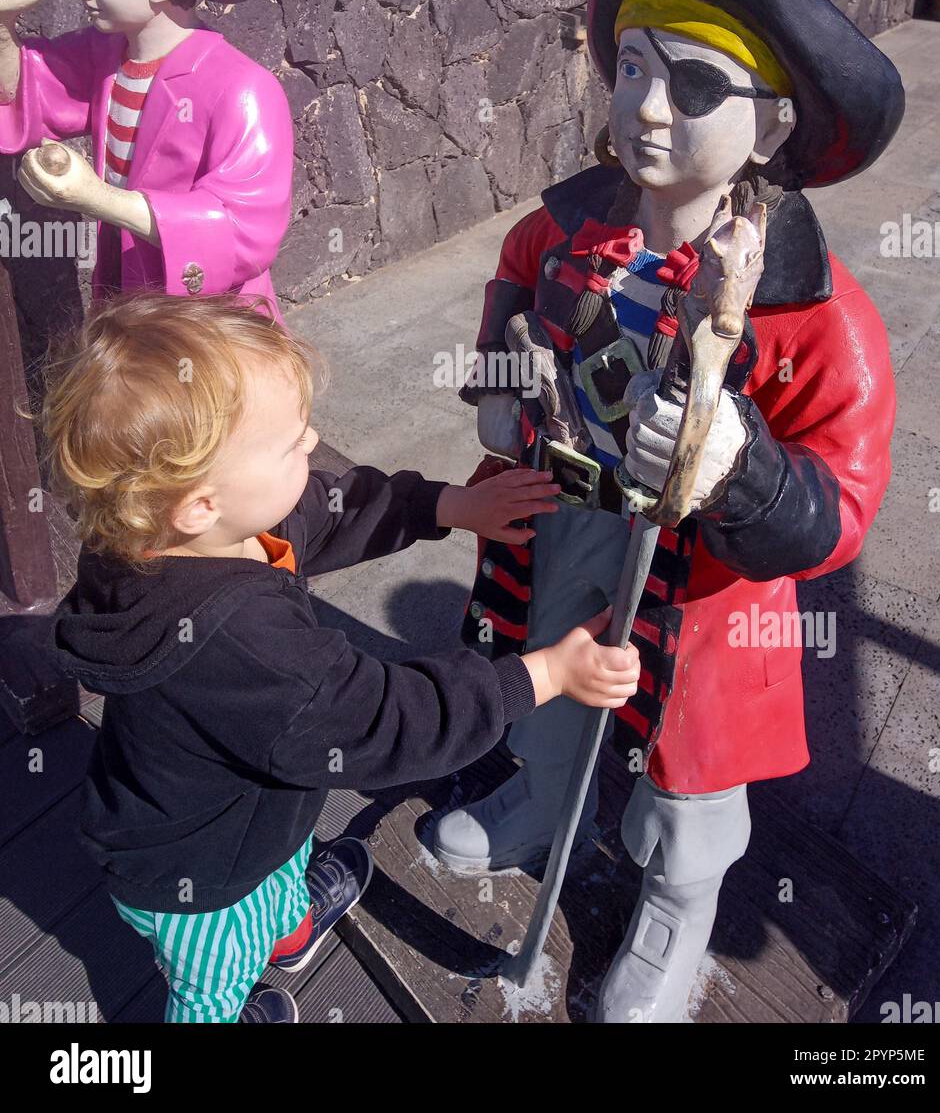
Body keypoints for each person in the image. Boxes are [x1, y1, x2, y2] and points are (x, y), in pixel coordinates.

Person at [433, 0, 902, 1022]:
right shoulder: (567, 226)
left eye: (695, 84)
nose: (646, 104)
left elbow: (839, 500)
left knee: (687, 782)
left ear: (768, 124)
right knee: (548, 681)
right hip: (566, 519)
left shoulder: (812, 314)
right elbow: (512, 289)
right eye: (634, 66)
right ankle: (544, 801)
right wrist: (502, 389)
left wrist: (734, 465)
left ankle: (674, 910)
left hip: (703, 589)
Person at [39, 290, 639, 1023]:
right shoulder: (245, 641)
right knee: (210, 988)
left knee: (285, 845)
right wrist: (543, 674)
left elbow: (325, 509)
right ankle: (239, 980)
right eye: (293, 442)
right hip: (201, 879)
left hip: (245, 809)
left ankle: (286, 930)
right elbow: (387, 722)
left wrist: (444, 505)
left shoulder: (161, 536)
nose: (313, 440)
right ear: (199, 503)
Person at [0, 0, 292, 320]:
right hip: (124, 301)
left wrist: (97, 198)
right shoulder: (103, 56)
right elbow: (22, 90)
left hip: (209, 322)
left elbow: (242, 229)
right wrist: (3, 22)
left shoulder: (243, 88)